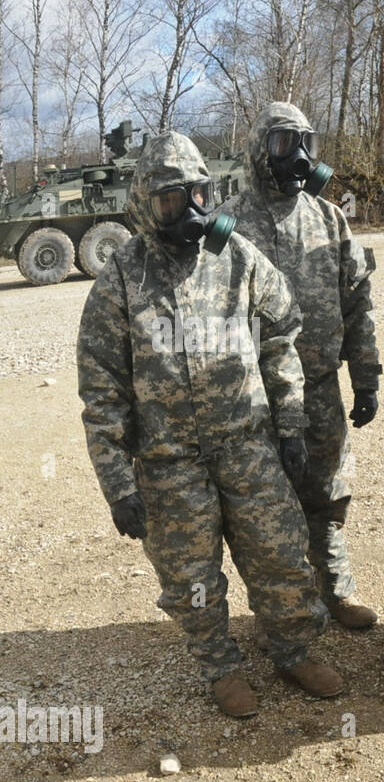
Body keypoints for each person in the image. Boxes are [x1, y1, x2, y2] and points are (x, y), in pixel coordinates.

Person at [77, 132, 343, 718]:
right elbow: (102, 392)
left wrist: (292, 423)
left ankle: (294, 648)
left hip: (248, 447)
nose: (191, 212)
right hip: (171, 465)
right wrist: (119, 486)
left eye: (198, 194)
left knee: (280, 556)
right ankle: (220, 666)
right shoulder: (119, 279)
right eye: (173, 201)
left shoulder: (241, 258)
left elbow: (280, 336)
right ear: (147, 205)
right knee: (192, 577)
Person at [220, 102, 381, 631]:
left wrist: (366, 375)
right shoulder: (229, 225)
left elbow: (358, 300)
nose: (300, 157)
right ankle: (283, 614)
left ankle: (335, 590)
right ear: (260, 149)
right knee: (265, 508)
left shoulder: (329, 217)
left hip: (318, 387)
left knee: (328, 493)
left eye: (306, 144)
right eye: (286, 144)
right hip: (252, 396)